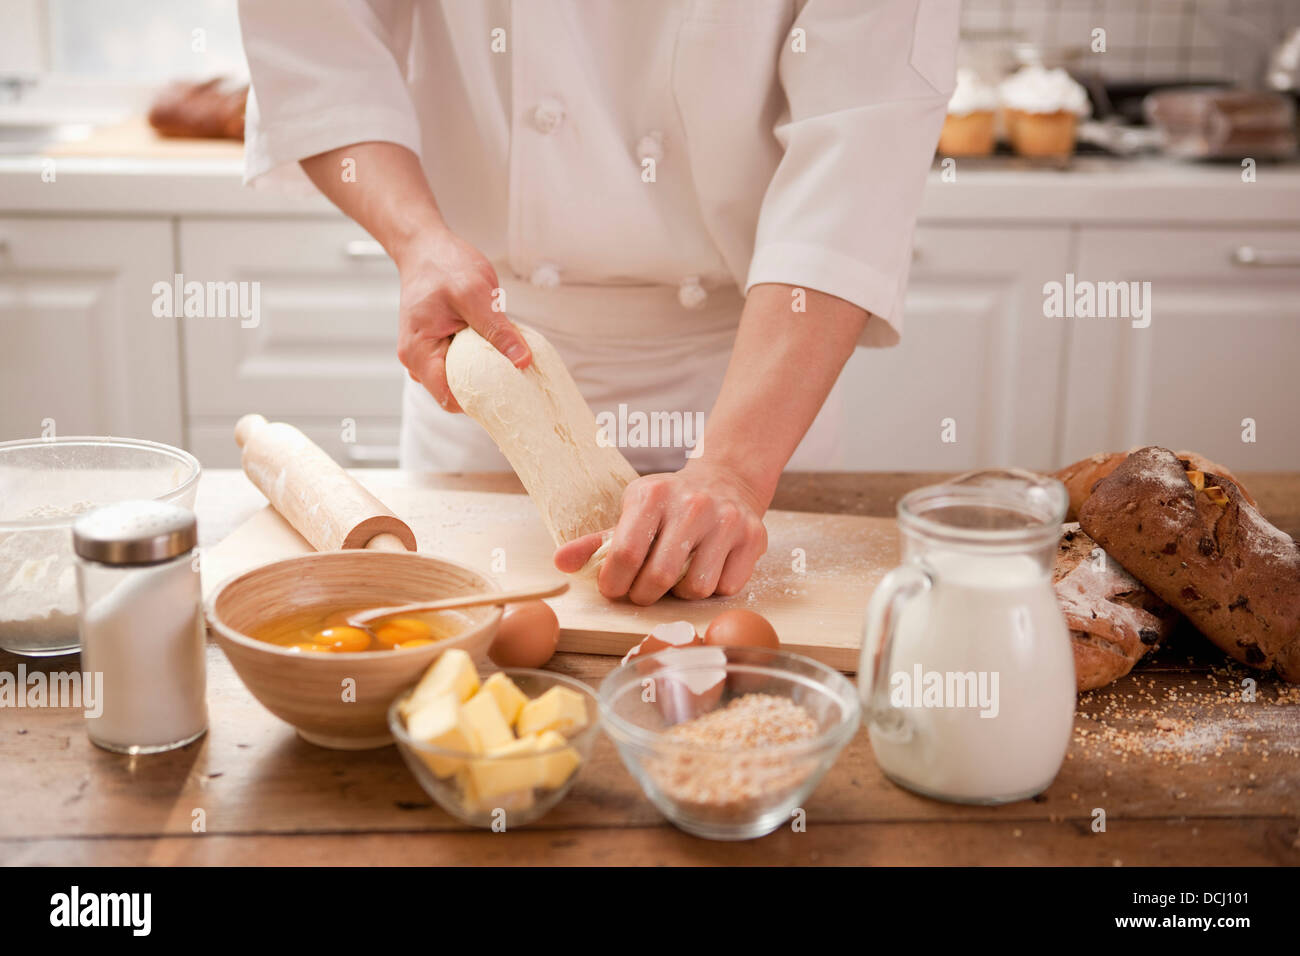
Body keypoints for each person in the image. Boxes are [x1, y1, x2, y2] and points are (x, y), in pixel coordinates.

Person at [238, 0, 957, 605]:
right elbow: (315, 37)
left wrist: (735, 470)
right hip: (490, 362)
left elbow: (861, 134)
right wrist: (418, 240)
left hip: (753, 374)